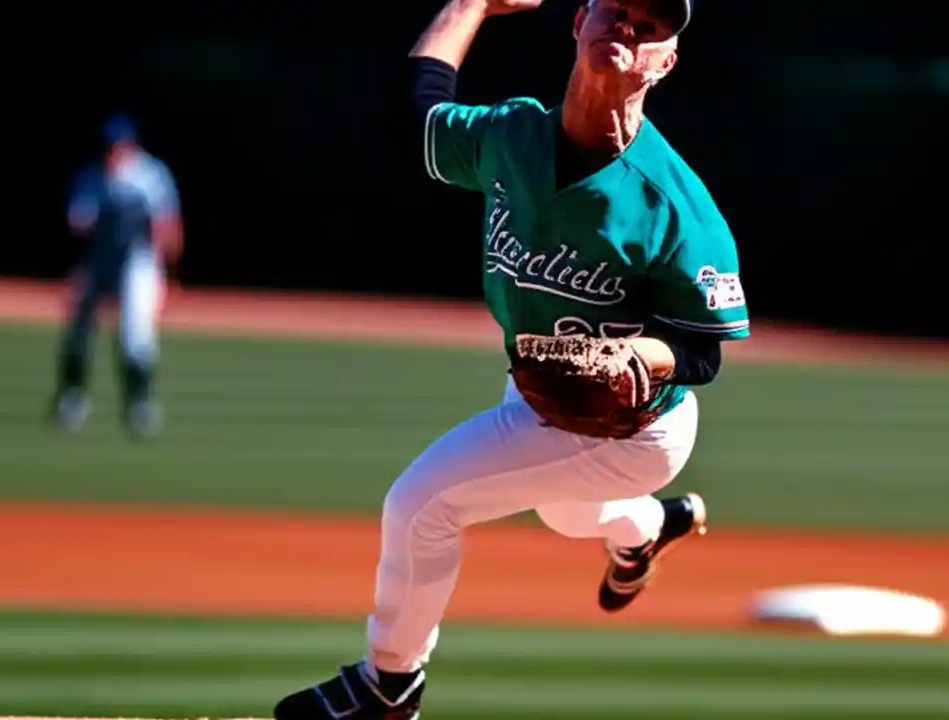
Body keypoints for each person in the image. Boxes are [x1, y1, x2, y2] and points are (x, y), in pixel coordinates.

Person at [274, 0, 749, 716]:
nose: (627, 26)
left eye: (650, 25)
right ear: (580, 20)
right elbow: (419, 112)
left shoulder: (677, 208)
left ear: (666, 62)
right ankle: (650, 530)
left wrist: (638, 357)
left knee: (421, 504)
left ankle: (388, 684)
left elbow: (702, 350)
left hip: (635, 429)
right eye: (615, 7)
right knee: (564, 512)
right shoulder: (511, 135)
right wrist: (470, 3)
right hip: (541, 393)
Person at [48, 113, 183, 438]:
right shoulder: (91, 176)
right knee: (78, 329)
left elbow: (167, 224)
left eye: (119, 146)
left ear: (131, 146)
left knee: (136, 333)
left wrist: (168, 272)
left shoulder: (150, 175)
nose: (113, 152)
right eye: (109, 146)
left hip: (138, 260)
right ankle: (72, 398)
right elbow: (79, 226)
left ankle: (139, 403)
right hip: (99, 258)